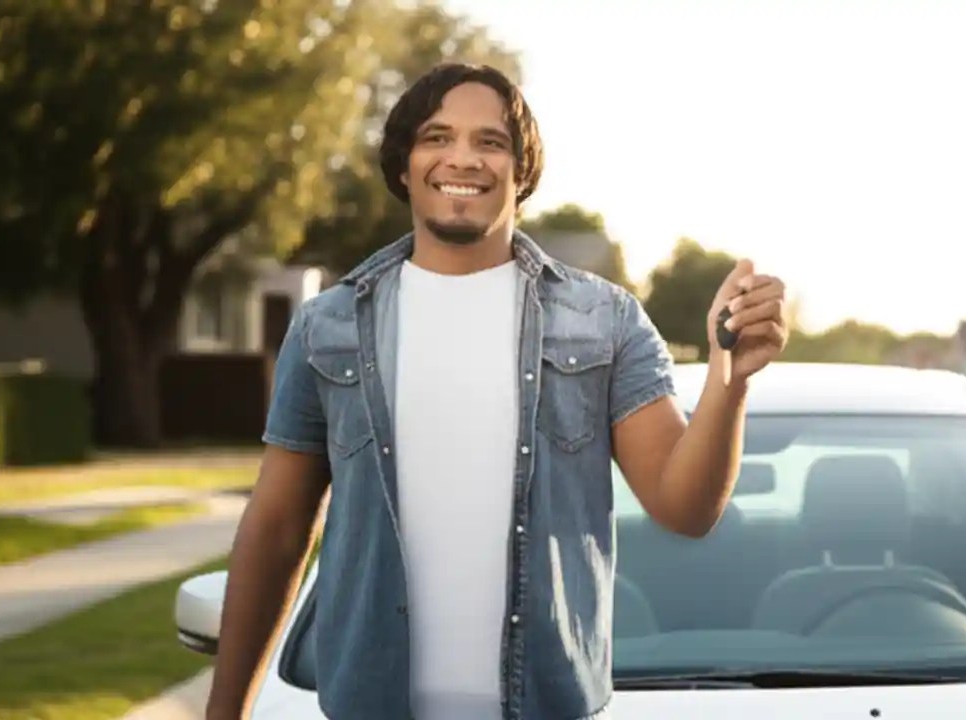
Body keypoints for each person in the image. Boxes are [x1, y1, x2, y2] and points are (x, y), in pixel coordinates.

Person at [205, 62, 789, 720]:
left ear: (522, 171)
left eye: (491, 142)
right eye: (437, 137)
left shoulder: (604, 320)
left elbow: (687, 507)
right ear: (404, 165)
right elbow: (278, 528)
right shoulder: (327, 326)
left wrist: (727, 380)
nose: (463, 158)